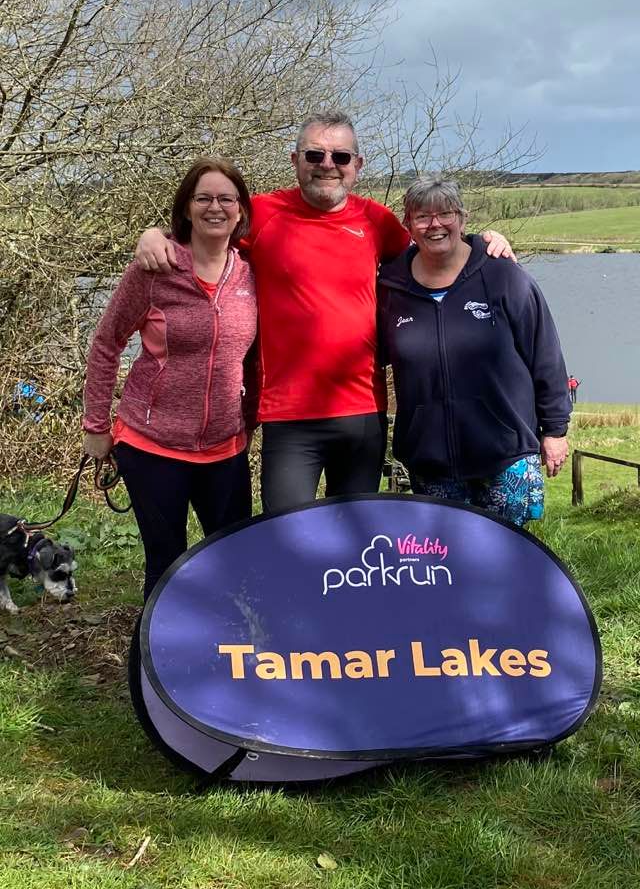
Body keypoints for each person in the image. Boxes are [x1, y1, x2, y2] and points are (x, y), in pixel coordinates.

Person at [135, 113, 515, 514]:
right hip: (288, 415)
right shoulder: (261, 214)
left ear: (358, 165)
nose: (328, 165)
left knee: (353, 542)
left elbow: (433, 251)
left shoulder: (376, 221)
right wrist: (154, 235)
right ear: (296, 159)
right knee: (288, 535)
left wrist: (481, 240)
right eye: (315, 155)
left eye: (340, 157)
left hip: (362, 414)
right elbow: (202, 232)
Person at [83, 157, 257, 598]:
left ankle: (232, 657)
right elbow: (107, 343)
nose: (214, 207)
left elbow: (257, 356)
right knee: (166, 564)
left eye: (225, 199)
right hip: (152, 443)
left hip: (225, 445)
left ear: (240, 211)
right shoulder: (154, 269)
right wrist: (95, 427)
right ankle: (157, 662)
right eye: (203, 198)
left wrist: (252, 417)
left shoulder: (252, 272)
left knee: (235, 558)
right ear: (186, 209)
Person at [378, 178, 570, 527]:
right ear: (407, 225)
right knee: (444, 568)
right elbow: (366, 354)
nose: (435, 225)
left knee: (508, 562)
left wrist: (555, 430)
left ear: (463, 219)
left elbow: (546, 353)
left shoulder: (503, 277)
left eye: (446, 214)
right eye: (422, 217)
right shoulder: (390, 289)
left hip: (505, 454)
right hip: (430, 460)